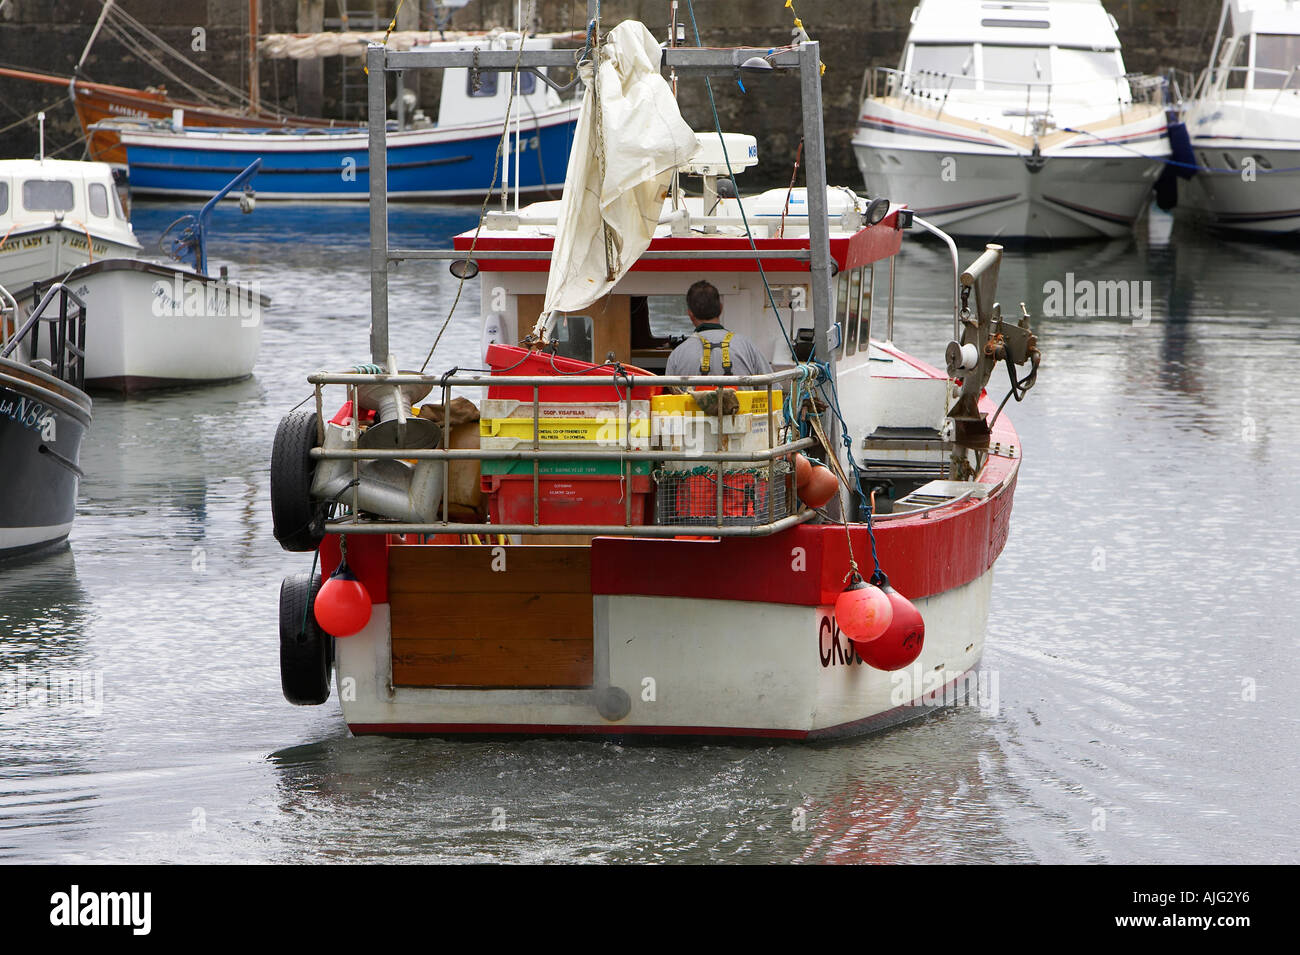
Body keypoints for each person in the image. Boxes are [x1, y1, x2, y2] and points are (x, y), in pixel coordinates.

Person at [665, 280, 773, 379]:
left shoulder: (677, 355)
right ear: (721, 308)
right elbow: (773, 389)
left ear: (690, 314)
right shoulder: (747, 347)